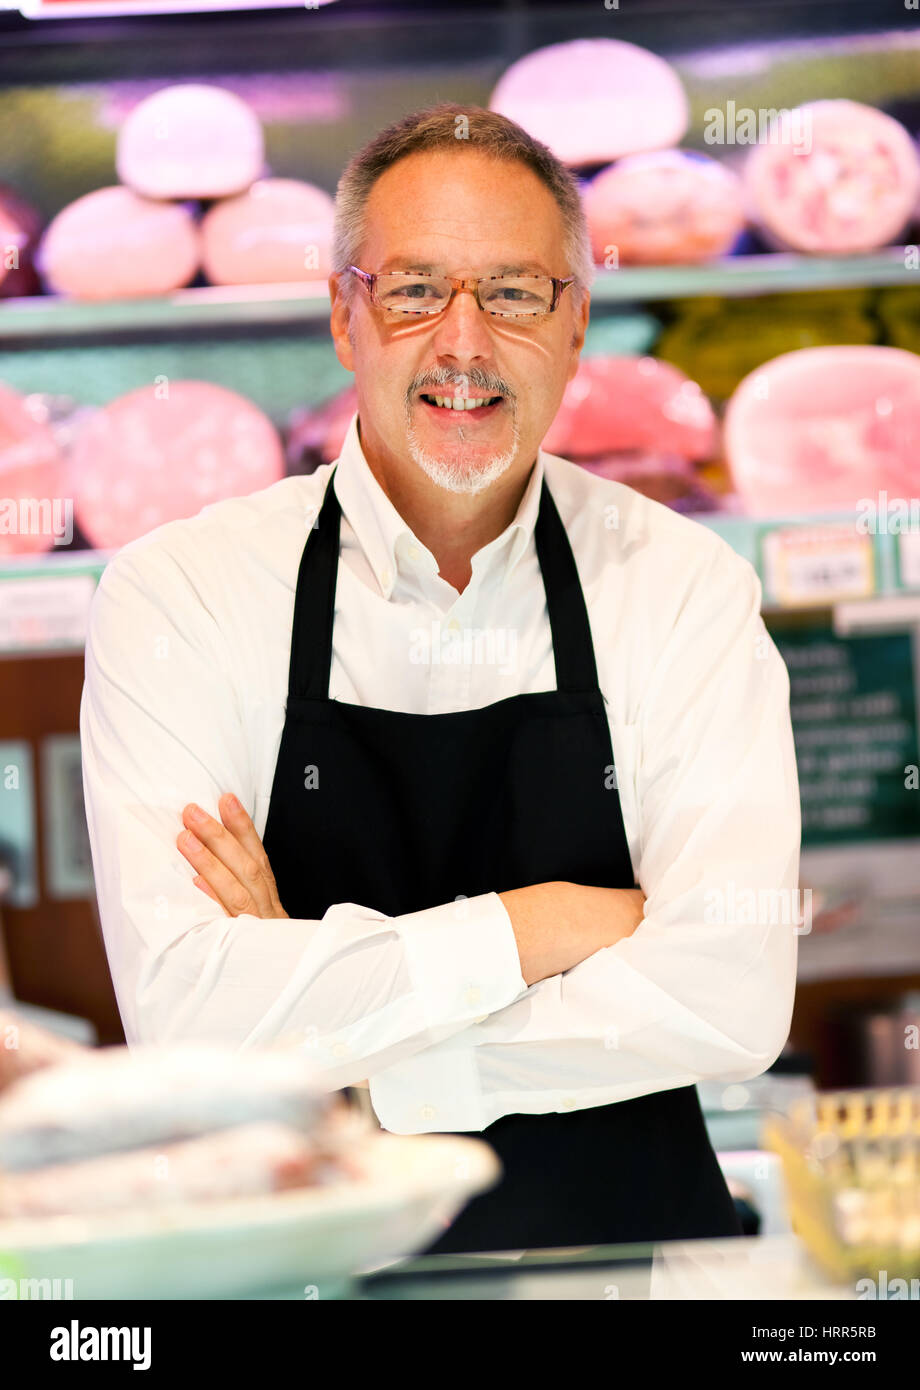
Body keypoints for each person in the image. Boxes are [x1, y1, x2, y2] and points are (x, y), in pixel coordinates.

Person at [80, 104, 801, 1254]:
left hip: (623, 1267)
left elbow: (728, 991)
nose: (462, 342)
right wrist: (546, 923)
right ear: (344, 316)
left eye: (513, 292)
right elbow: (189, 1016)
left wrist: (369, 1071)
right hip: (301, 1271)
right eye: (414, 288)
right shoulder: (184, 596)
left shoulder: (678, 588)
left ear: (574, 329)